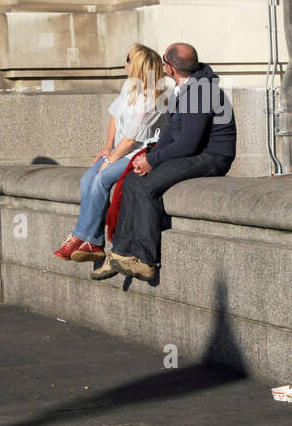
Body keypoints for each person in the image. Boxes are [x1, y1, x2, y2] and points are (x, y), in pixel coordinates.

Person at [97, 43, 235, 282]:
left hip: (211, 157)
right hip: (193, 153)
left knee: (145, 188)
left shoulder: (201, 92)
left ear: (170, 68)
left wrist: (153, 160)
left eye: (163, 61)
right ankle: (121, 253)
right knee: (131, 179)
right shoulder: (185, 88)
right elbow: (172, 132)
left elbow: (189, 144)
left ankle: (146, 260)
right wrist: (147, 158)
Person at [54, 44, 168, 264]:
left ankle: (83, 238)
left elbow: (132, 139)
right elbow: (115, 116)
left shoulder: (151, 98)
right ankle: (92, 241)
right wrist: (107, 149)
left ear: (138, 66)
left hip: (138, 151)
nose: (124, 63)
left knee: (101, 179)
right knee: (88, 178)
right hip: (119, 149)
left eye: (128, 59)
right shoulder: (129, 86)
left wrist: (110, 160)